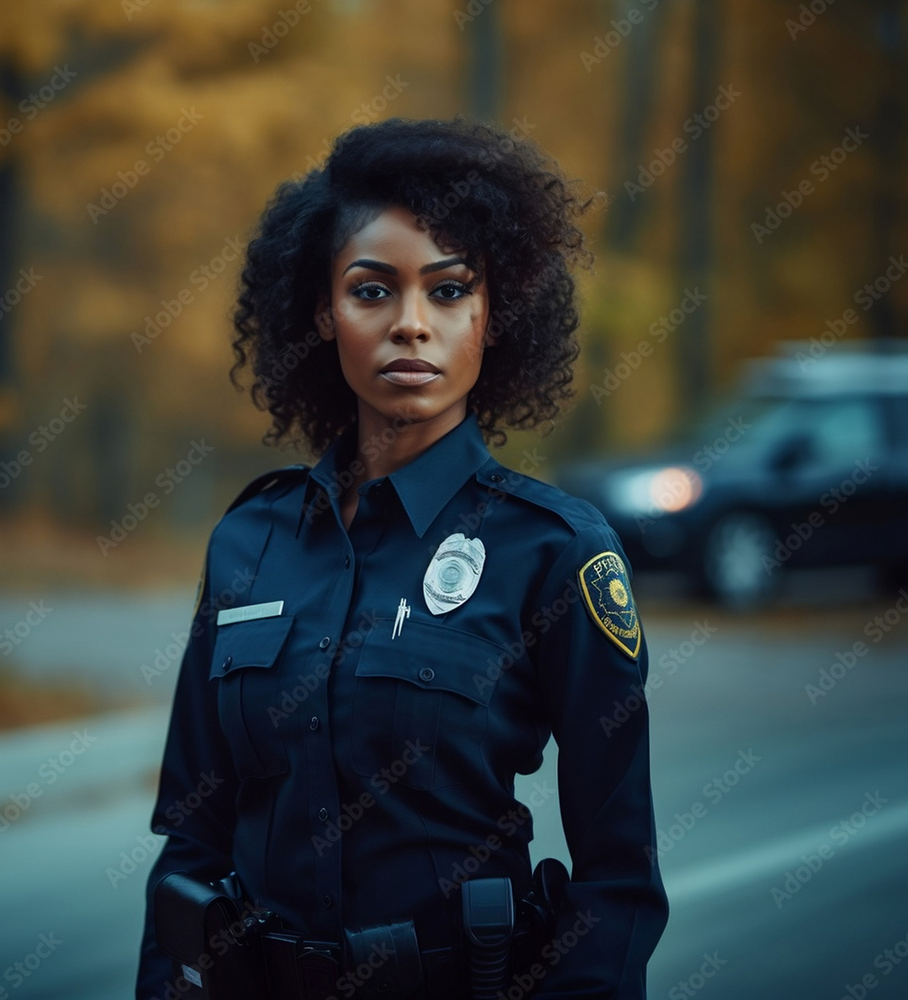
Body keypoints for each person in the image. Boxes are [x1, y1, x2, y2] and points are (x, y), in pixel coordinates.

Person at [136, 116, 668, 1000]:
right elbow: (192, 842)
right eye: (372, 291)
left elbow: (619, 881)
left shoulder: (558, 551)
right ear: (323, 311)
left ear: (493, 315)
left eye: (450, 291)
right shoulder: (248, 541)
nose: (411, 325)